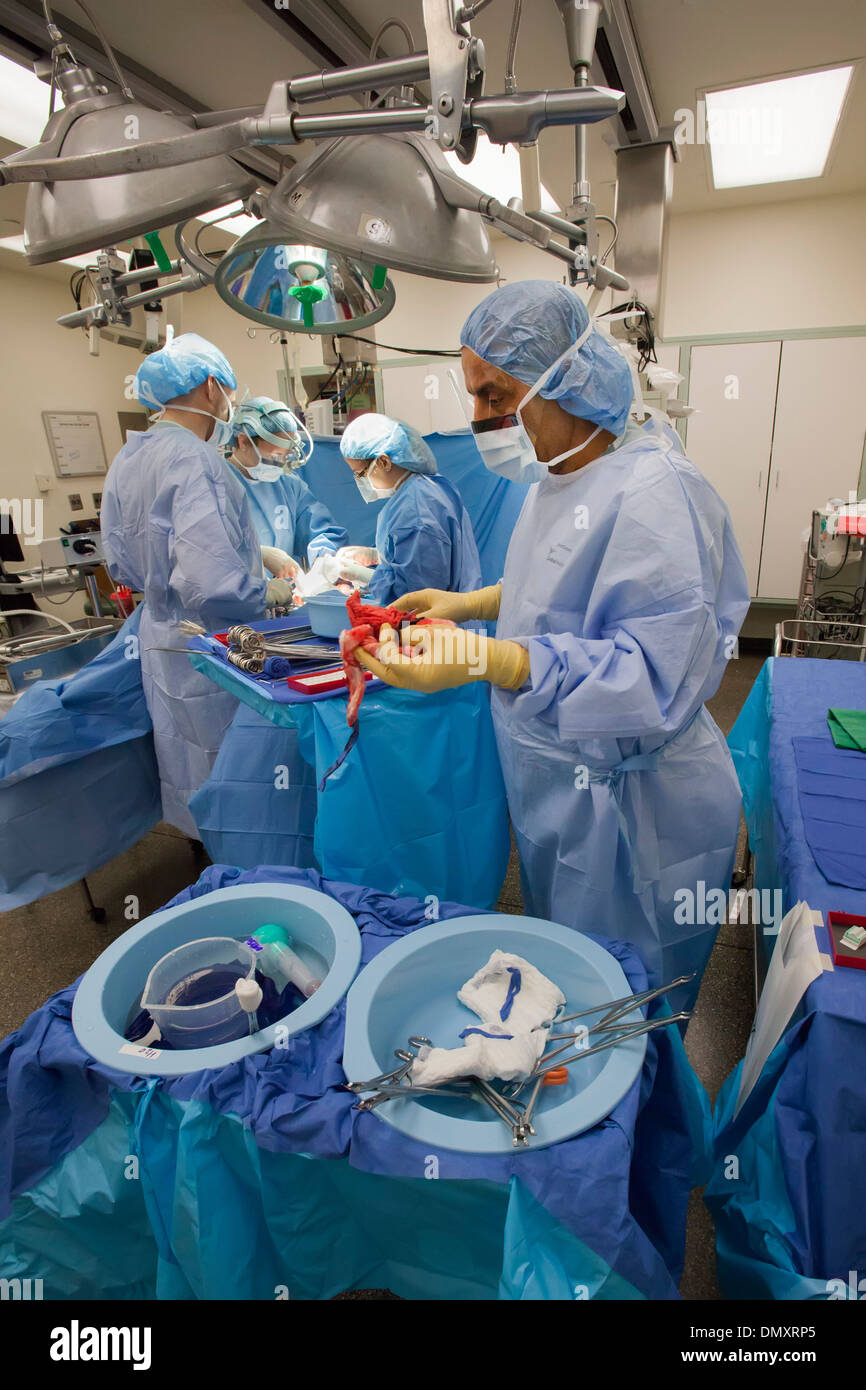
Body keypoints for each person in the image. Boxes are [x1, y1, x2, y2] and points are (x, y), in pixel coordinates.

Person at [356, 282, 751, 1011]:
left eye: (495, 394)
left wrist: (493, 659)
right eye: (473, 397)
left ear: (565, 378)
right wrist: (474, 604)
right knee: (567, 990)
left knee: (629, 1011)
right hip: (562, 791)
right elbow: (558, 586)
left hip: (635, 815)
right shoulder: (559, 475)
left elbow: (651, 677)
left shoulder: (658, 493)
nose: (480, 419)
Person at [101, 334, 293, 837]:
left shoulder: (129, 457)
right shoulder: (196, 460)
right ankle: (250, 862)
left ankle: (210, 854)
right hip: (214, 643)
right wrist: (265, 591)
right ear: (211, 386)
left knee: (187, 758)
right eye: (228, 389)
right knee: (235, 766)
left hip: (161, 636)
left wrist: (254, 553)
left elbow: (124, 559)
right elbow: (210, 583)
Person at [339, 413, 481, 605]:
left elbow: (416, 596)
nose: (359, 480)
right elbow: (421, 558)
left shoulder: (415, 511)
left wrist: (362, 575)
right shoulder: (427, 488)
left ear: (384, 462)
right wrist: (377, 556)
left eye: (360, 473)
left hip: (433, 621)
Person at [226, 396, 347, 582]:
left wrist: (326, 558)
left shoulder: (288, 485)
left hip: (284, 594)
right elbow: (207, 549)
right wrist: (258, 554)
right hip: (236, 594)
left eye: (286, 456)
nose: (281, 465)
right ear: (243, 441)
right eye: (275, 456)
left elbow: (320, 528)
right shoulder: (217, 485)